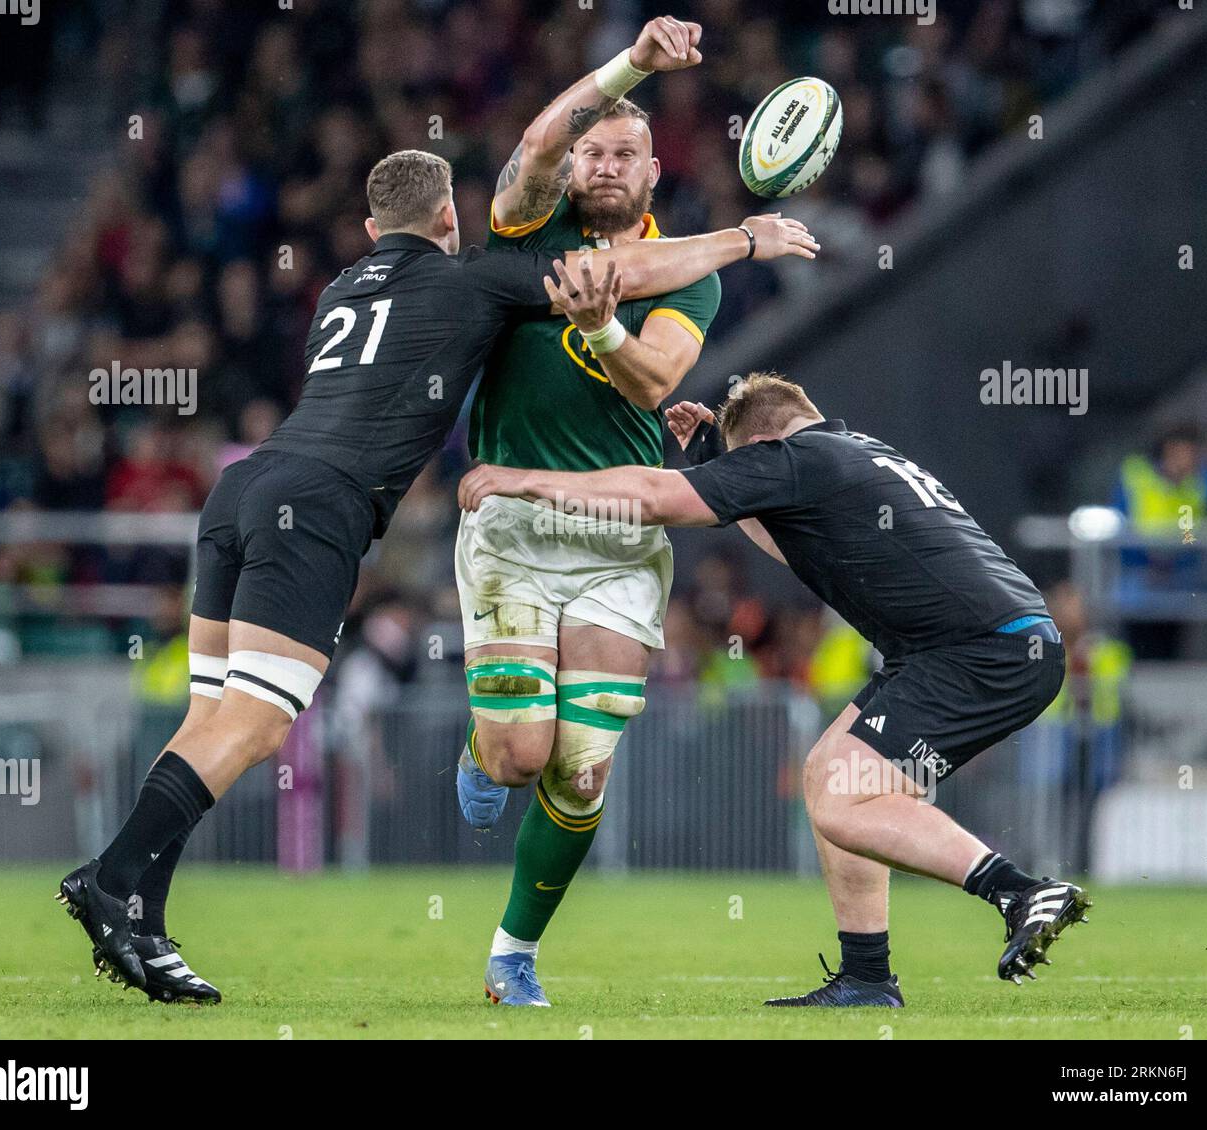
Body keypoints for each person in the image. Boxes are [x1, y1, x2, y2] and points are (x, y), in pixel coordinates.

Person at [56, 148, 816, 1003]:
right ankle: (111, 880)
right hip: (319, 506)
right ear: (452, 222)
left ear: (373, 231)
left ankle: (146, 924)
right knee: (260, 727)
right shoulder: (472, 280)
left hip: (240, 489)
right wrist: (743, 240)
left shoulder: (342, 292)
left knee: (207, 717)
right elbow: (613, 269)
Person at [459, 372, 1091, 1007]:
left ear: (763, 443)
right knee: (827, 778)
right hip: (976, 644)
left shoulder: (800, 460)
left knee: (846, 799)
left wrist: (524, 481)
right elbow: (786, 538)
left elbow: (654, 498)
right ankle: (867, 977)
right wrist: (716, 463)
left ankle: (1016, 890)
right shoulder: (850, 454)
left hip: (977, 653)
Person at [454, 15, 815, 1009]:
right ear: (573, 169)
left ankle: (511, 954)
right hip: (514, 531)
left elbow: (654, 380)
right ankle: (481, 742)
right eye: (592, 152)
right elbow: (531, 145)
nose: (606, 164)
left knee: (578, 771)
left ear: (654, 174)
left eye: (626, 152)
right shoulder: (528, 226)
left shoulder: (687, 269)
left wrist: (599, 320)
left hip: (619, 536)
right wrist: (633, 64)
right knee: (518, 754)